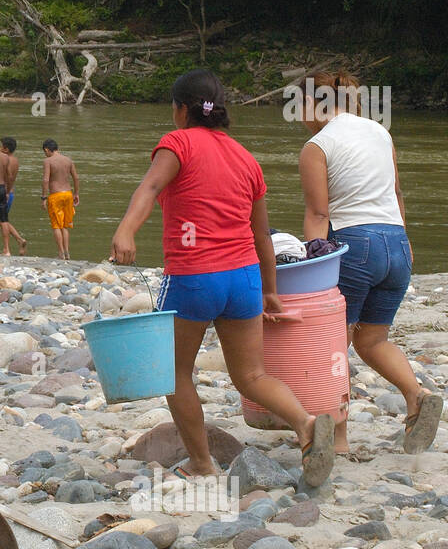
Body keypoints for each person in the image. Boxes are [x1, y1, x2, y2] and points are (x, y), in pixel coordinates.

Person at [111, 69, 336, 483]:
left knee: (175, 374)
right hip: (245, 278)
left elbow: (148, 188)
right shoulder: (245, 157)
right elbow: (261, 235)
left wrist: (126, 231)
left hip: (196, 276)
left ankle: (201, 463)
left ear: (180, 109)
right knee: (252, 376)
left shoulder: (176, 142)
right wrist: (269, 290)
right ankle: (305, 424)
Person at [298, 71, 442, 454]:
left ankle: (340, 440)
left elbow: (317, 215)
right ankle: (416, 395)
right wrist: (405, 241)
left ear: (315, 103)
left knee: (334, 346)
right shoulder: (381, 132)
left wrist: (310, 267)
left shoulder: (318, 145)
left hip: (355, 244)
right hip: (396, 245)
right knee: (373, 339)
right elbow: (395, 192)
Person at [41, 139, 79, 259]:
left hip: (55, 195)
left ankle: (61, 253)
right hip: (68, 194)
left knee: (56, 226)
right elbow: (76, 178)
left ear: (47, 149)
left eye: (45, 151)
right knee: (65, 226)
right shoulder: (68, 160)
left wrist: (43, 197)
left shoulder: (48, 161)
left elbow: (46, 180)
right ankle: (67, 252)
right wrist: (76, 194)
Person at [0, 137, 28, 256]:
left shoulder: (5, 160)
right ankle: (19, 240)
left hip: (3, 192)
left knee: (0, 220)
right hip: (10, 192)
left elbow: (5, 178)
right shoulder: (15, 160)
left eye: (1, 146)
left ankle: (13, 244)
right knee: (1, 219)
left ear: (6, 149)